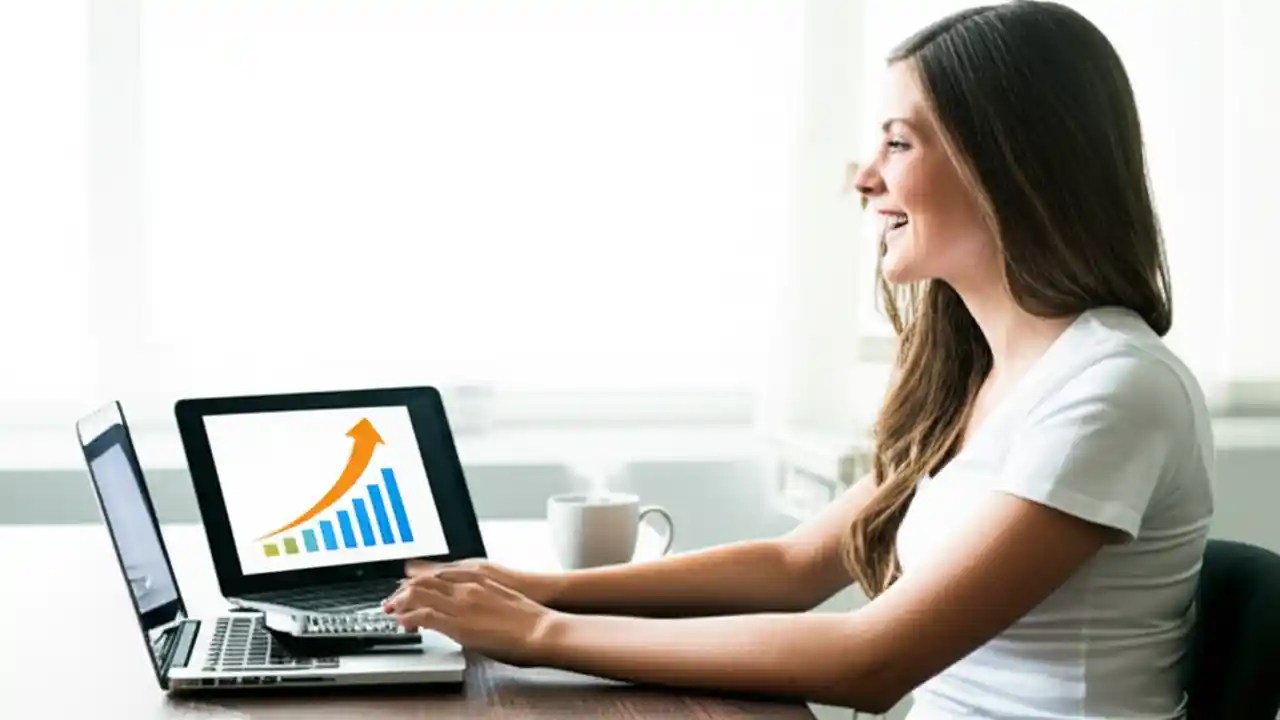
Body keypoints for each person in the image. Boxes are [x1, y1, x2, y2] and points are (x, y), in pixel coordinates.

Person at [382, 2, 1214, 716]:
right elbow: (795, 566)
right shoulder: (984, 379)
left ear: (1011, 163)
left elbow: (870, 661)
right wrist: (533, 588)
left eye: (898, 144)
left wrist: (540, 635)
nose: (863, 177)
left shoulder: (1112, 388)